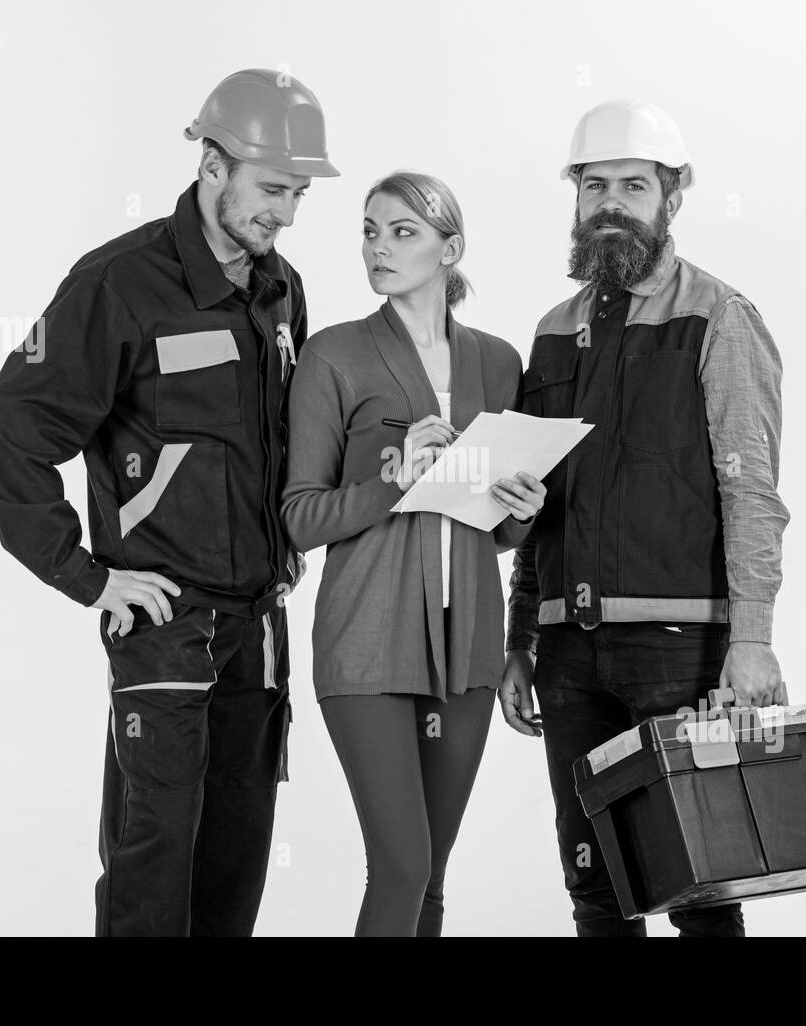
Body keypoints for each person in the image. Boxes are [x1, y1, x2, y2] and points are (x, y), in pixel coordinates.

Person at [0, 69, 340, 936]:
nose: (285, 213)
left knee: (234, 871)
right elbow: (8, 430)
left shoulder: (279, 291)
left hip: (258, 631)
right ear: (213, 165)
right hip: (166, 630)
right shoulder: (120, 283)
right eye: (272, 189)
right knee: (152, 874)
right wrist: (85, 575)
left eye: (297, 193)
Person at [499, 99, 792, 937]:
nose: (611, 202)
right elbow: (539, 502)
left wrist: (754, 639)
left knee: (699, 887)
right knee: (596, 887)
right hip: (566, 655)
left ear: (674, 194)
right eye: (595, 185)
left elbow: (753, 494)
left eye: (634, 183)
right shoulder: (553, 332)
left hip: (682, 653)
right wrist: (520, 638)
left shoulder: (720, 319)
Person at [281, 171, 546, 936]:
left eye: (402, 232)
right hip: (367, 643)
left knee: (430, 878)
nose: (379, 247)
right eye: (369, 230)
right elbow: (300, 518)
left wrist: (521, 514)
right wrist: (394, 477)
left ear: (449, 249)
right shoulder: (335, 356)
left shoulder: (497, 363)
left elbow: (490, 530)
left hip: (466, 650)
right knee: (400, 867)